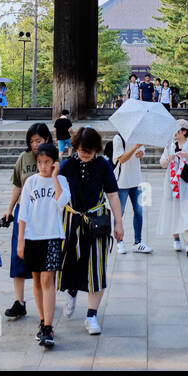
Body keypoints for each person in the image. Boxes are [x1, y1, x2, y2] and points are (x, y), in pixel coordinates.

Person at [57, 127, 124, 335]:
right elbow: (57, 194)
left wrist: (119, 223)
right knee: (69, 262)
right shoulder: (67, 166)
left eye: (89, 151)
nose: (85, 155)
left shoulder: (103, 165)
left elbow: (113, 195)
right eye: (81, 150)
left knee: (96, 266)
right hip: (71, 219)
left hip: (97, 221)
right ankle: (71, 290)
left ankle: (91, 315)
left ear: (96, 149)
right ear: (75, 147)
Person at [18, 142, 70, 348]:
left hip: (52, 236)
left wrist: (55, 177)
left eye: (47, 162)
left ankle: (48, 326)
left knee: (48, 279)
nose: (43, 166)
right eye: (40, 162)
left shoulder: (62, 180)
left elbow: (62, 202)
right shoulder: (30, 182)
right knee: (37, 280)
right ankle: (42, 320)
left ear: (54, 163)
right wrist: (20, 240)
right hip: (32, 237)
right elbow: (23, 213)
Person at [0, 122, 50, 320]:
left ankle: (46, 298)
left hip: (44, 216)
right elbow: (17, 186)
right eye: (32, 141)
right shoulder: (23, 158)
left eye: (38, 140)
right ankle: (19, 301)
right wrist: (9, 209)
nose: (35, 144)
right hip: (24, 214)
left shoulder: (52, 159)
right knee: (18, 256)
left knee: (44, 262)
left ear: (47, 139)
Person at [159, 122, 188, 257]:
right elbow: (162, 164)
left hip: (187, 184)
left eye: (177, 131)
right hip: (172, 183)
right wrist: (169, 158)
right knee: (174, 211)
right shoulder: (170, 145)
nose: (174, 133)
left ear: (184, 132)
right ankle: (176, 238)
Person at [110, 132, 152, 255]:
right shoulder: (118, 138)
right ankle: (119, 242)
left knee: (139, 212)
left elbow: (141, 152)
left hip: (137, 180)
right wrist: (135, 147)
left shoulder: (138, 136)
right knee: (120, 212)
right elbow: (122, 159)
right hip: (122, 182)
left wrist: (140, 152)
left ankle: (138, 242)